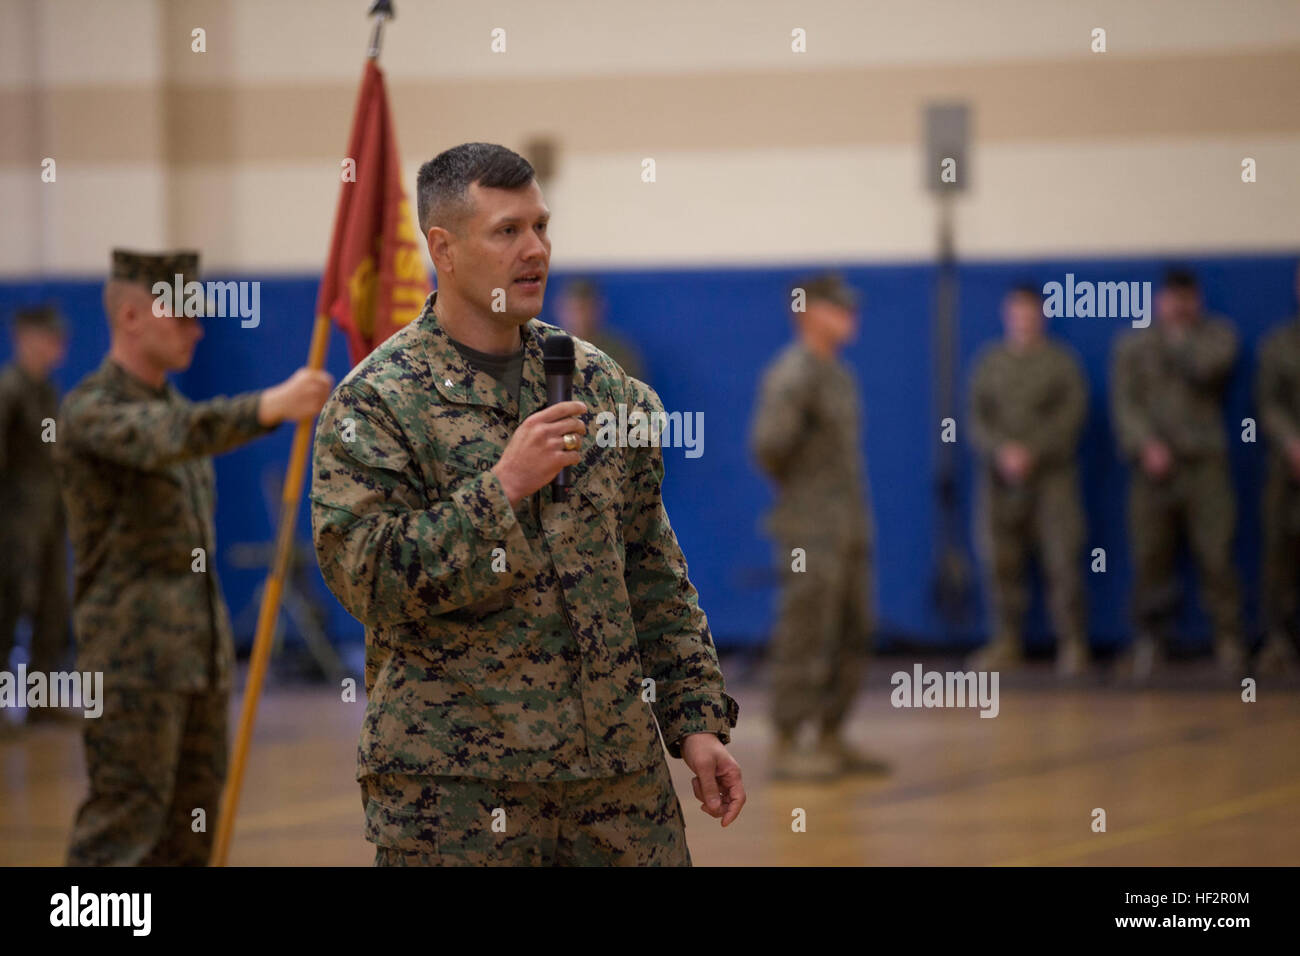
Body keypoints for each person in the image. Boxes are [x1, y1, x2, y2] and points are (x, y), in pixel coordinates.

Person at [310, 142, 742, 866]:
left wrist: (695, 723)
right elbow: (367, 577)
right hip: (459, 796)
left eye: (541, 227)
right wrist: (500, 491)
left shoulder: (603, 388)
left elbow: (652, 571)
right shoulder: (377, 402)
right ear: (443, 250)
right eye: (507, 231)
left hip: (617, 790)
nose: (535, 249)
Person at [57, 249, 331, 865]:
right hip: (132, 664)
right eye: (180, 314)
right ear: (130, 316)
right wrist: (269, 406)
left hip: (197, 661)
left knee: (190, 837)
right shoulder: (90, 410)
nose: (196, 327)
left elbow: (182, 430)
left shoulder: (176, 408)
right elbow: (167, 440)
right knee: (122, 832)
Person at [750, 273, 883, 780]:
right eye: (838, 308)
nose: (850, 317)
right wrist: (806, 498)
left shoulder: (838, 374)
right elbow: (768, 446)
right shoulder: (793, 374)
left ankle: (831, 733)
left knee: (854, 629)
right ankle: (788, 741)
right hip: (810, 528)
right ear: (808, 313)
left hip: (849, 525)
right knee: (806, 630)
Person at [1110, 268, 1243, 681]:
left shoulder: (1216, 336)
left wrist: (1178, 337)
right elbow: (1124, 402)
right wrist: (1145, 444)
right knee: (1150, 556)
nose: (1178, 307)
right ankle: (1150, 643)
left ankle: (1229, 638)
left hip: (1204, 464)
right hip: (1151, 468)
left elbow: (1209, 368)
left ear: (1197, 300)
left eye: (1186, 299)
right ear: (1157, 300)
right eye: (1171, 298)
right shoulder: (1133, 345)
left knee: (1216, 552)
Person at [967, 285, 1089, 677]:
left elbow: (1072, 415)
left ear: (1043, 315)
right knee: (1000, 561)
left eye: (1031, 312)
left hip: (1051, 477)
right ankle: (1006, 641)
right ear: (1007, 315)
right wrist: (1001, 451)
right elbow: (974, 419)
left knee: (1062, 558)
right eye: (1017, 312)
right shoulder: (989, 364)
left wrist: (1033, 450)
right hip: (999, 480)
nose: (1025, 319)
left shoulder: (1061, 363)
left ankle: (1072, 643)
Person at [0, 305, 71, 722]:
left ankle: (42, 703)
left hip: (47, 521)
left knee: (51, 609)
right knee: (6, 611)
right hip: (13, 524)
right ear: (24, 339)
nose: (56, 347)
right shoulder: (9, 391)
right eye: (48, 338)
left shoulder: (47, 393)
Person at [1254, 261, 1300, 673]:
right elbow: (1268, 402)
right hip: (1290, 469)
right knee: (1280, 555)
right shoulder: (1280, 345)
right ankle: (1279, 640)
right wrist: (1291, 443)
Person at [555, 278, 646, 382]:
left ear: (599, 309)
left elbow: (633, 392)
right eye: (573, 309)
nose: (579, 317)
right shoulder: (548, 349)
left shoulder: (617, 353)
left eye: (585, 308)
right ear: (559, 309)